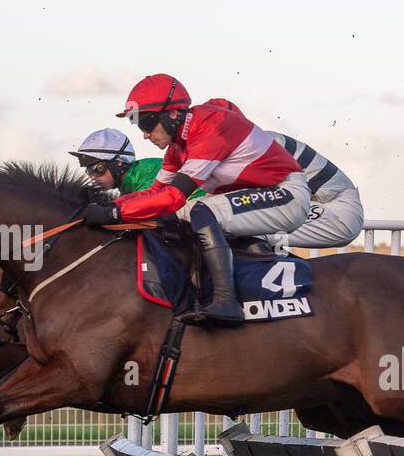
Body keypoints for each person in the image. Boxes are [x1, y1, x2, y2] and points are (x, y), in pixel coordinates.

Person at [81, 74, 310, 326]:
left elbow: (174, 196)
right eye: (139, 126)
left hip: (287, 194)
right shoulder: (177, 148)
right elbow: (155, 192)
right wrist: (111, 207)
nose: (145, 135)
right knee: (181, 214)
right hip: (256, 196)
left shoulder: (211, 125)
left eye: (146, 123)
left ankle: (226, 301)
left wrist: (114, 213)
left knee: (200, 209)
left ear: (172, 114)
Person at [265, 132, 364, 249]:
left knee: (253, 227)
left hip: (336, 210)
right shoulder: (257, 139)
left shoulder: (257, 145)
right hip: (335, 205)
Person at [69, 127, 206, 199]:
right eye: (88, 171)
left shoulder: (148, 173)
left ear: (119, 164)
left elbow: (148, 204)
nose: (92, 176)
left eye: (97, 169)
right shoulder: (127, 188)